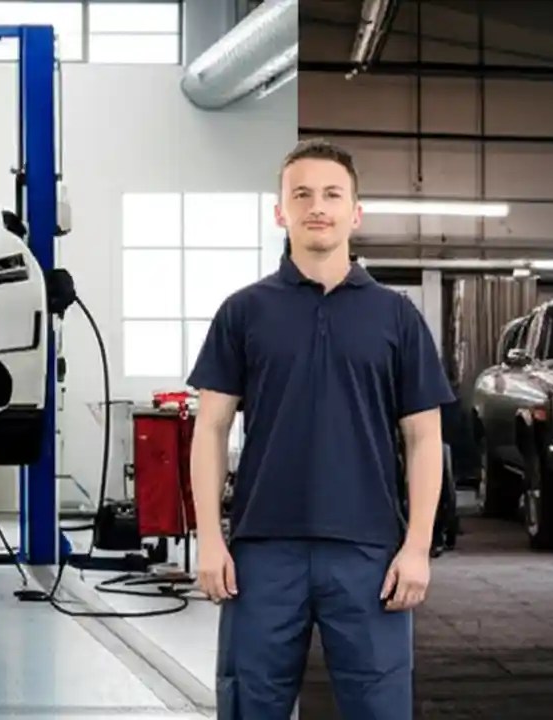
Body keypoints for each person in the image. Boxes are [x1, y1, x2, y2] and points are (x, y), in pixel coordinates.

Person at [186, 138, 454, 719]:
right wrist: (210, 537)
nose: (317, 206)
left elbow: (425, 438)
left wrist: (417, 547)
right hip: (262, 552)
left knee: (380, 707)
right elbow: (210, 429)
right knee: (250, 705)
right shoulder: (244, 311)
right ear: (280, 211)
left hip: (369, 553)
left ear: (355, 211)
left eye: (332, 194)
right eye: (301, 193)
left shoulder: (397, 317)